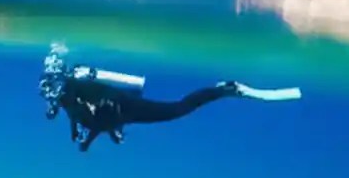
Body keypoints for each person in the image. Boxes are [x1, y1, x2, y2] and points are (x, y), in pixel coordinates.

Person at [38, 44, 300, 152]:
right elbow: (84, 117)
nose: (52, 102)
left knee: (178, 109)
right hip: (122, 110)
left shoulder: (70, 99)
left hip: (126, 107)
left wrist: (88, 141)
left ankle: (225, 90)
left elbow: (96, 120)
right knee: (178, 109)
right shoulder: (68, 99)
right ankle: (222, 90)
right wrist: (83, 136)